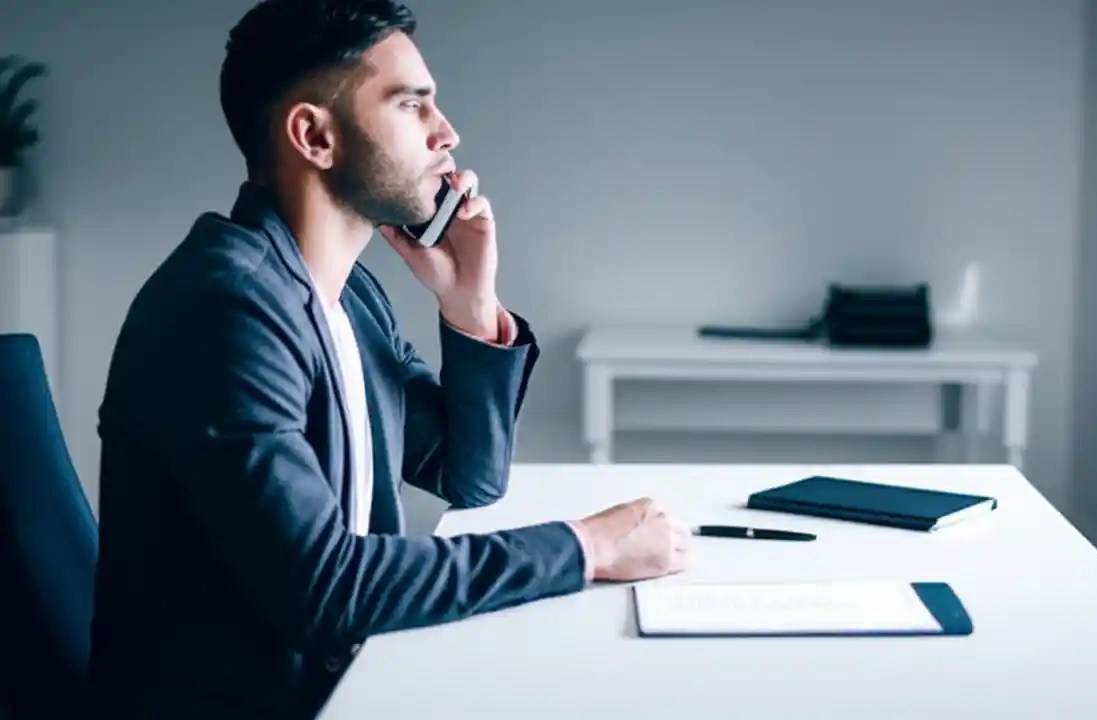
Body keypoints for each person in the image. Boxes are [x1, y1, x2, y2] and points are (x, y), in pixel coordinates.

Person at [87, 1, 691, 717]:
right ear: (315, 135)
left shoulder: (349, 296)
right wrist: (582, 549)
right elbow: (326, 587)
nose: (448, 134)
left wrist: (469, 307)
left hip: (342, 682)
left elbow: (467, 477)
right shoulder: (226, 309)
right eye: (413, 106)